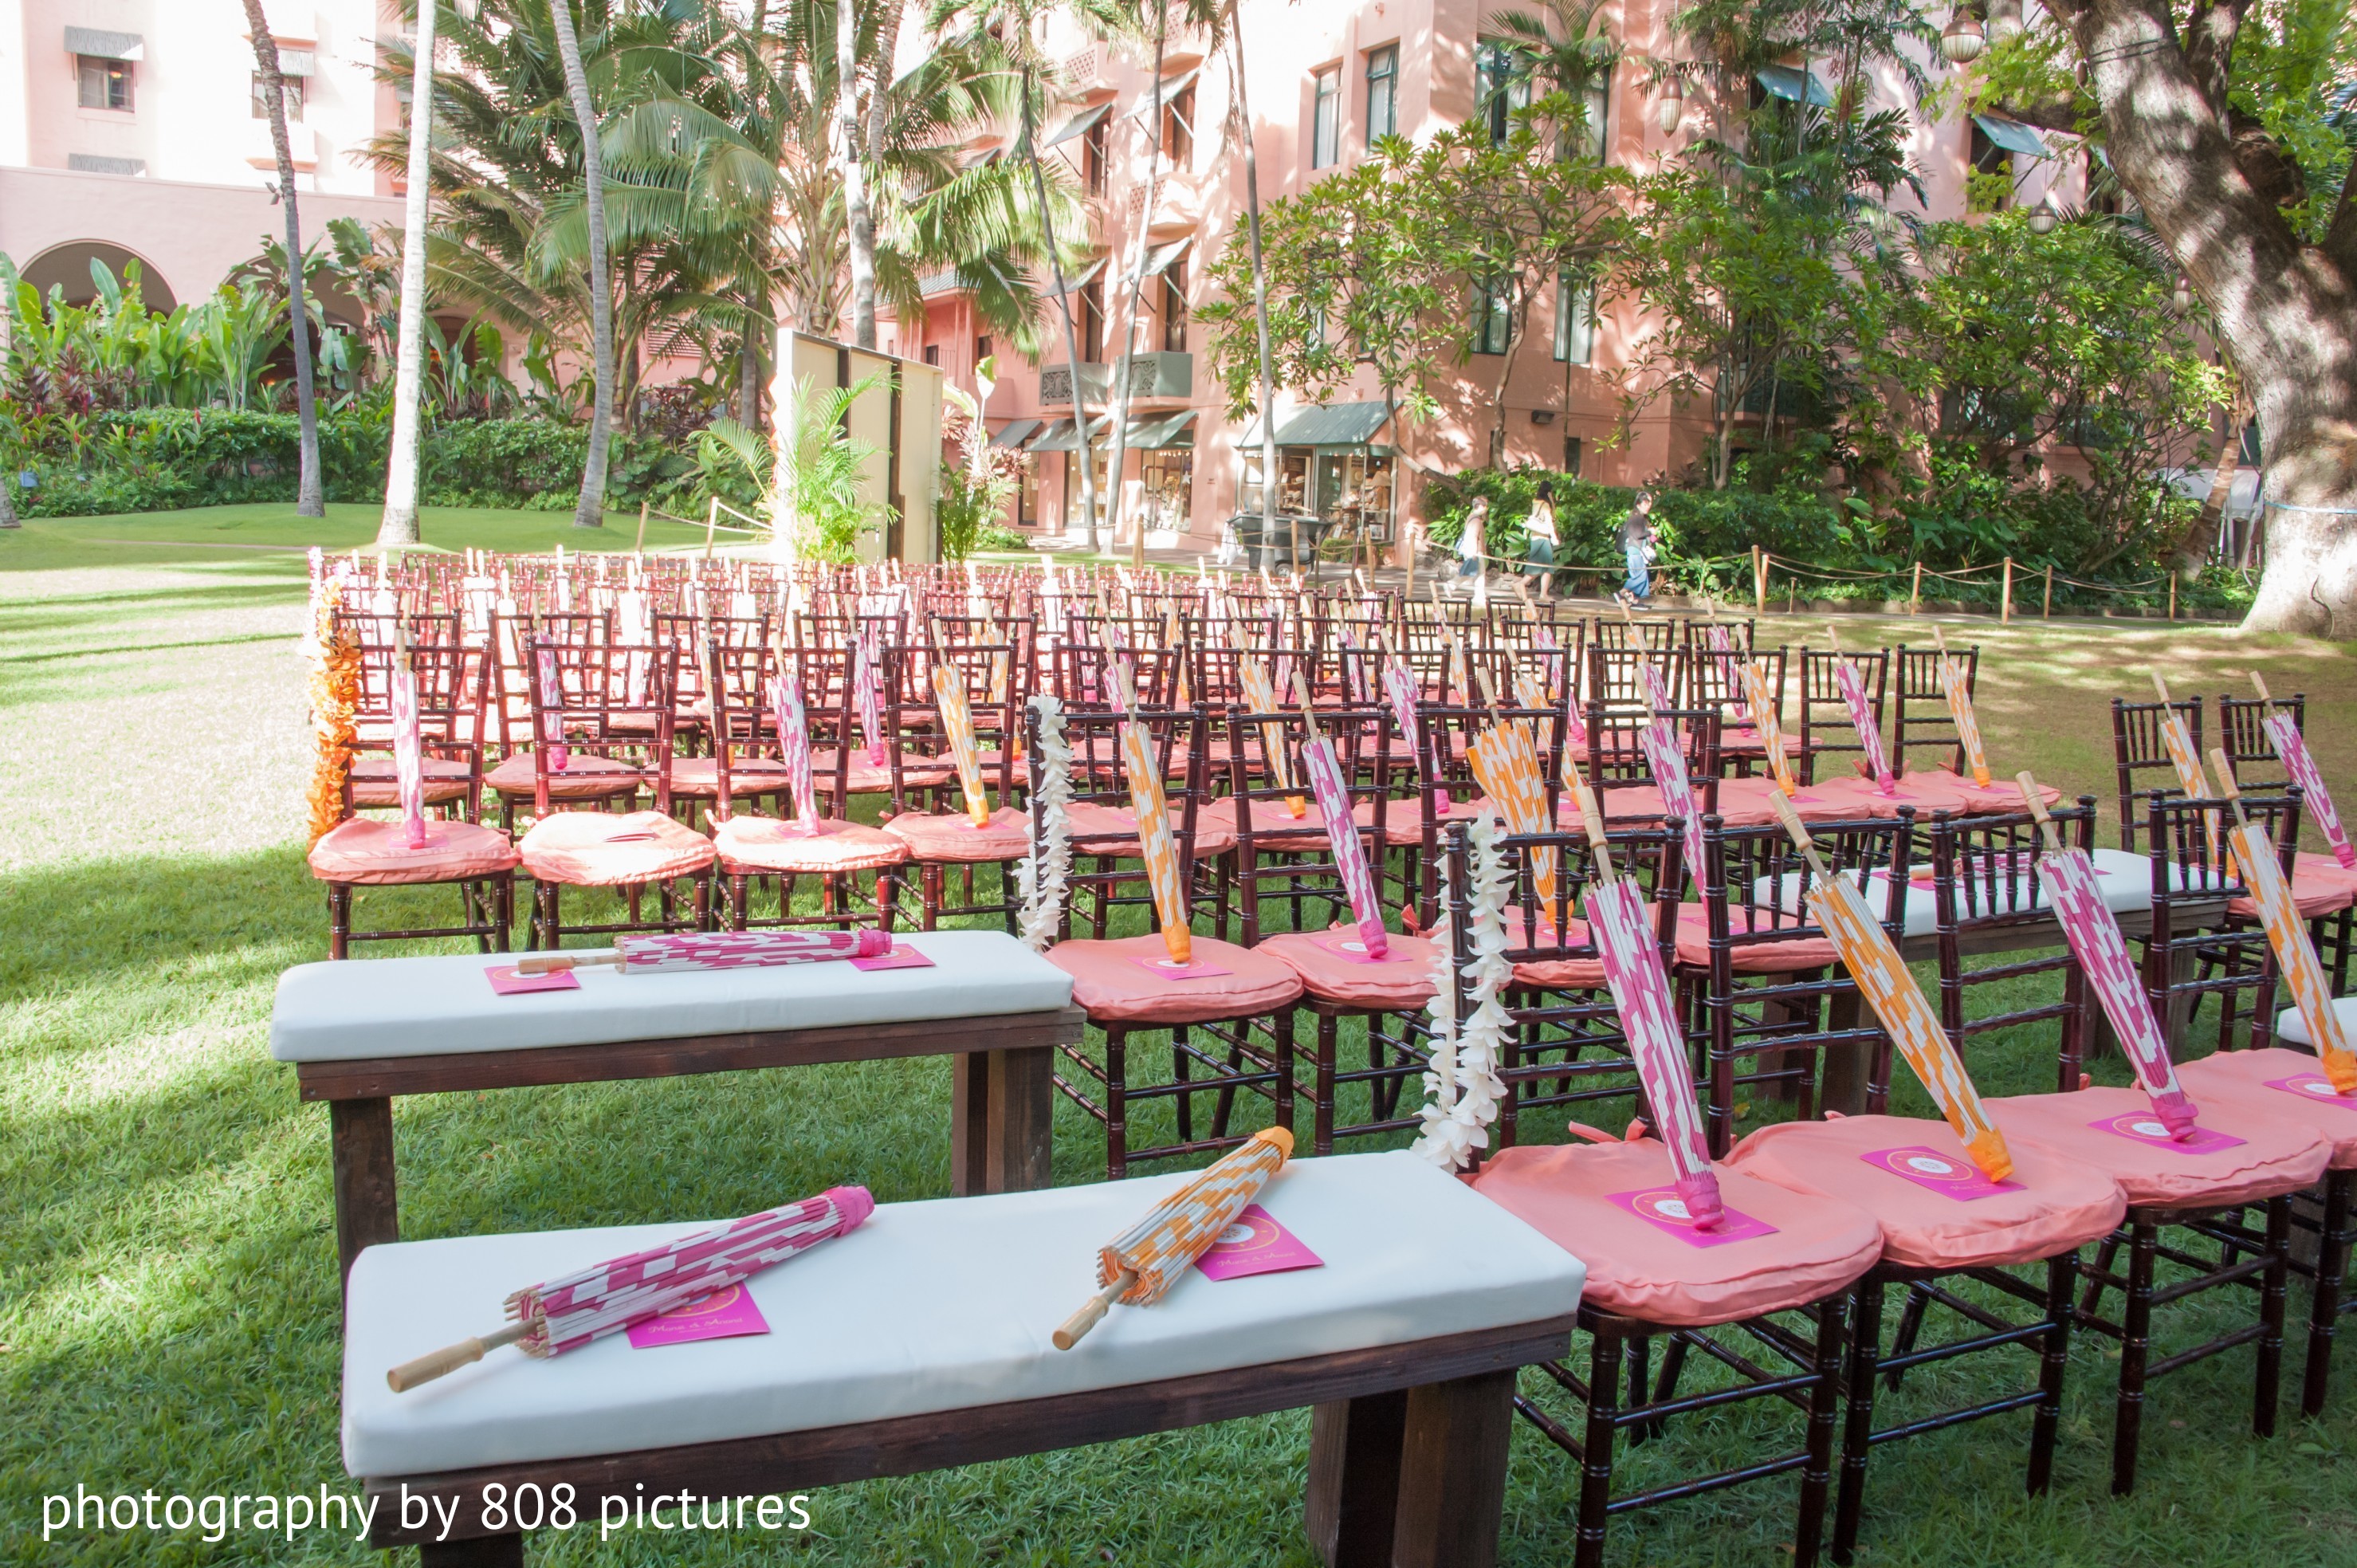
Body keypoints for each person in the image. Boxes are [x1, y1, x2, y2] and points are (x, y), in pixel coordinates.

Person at [1618, 490, 1656, 607]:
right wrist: (1650, 532)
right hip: (1635, 551)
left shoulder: (1638, 517)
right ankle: (1622, 592)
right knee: (1640, 577)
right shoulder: (1636, 518)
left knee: (1641, 577)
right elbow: (1637, 535)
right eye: (1645, 504)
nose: (1648, 506)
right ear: (1638, 505)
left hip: (1636, 551)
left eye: (1649, 504)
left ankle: (1636, 601)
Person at [1522, 480, 1559, 600]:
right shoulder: (1545, 505)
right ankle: (1522, 584)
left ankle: (1543, 594)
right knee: (1546, 567)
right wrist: (1554, 538)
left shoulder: (1536, 502)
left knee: (1545, 567)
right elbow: (1549, 522)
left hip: (1535, 537)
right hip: (1543, 538)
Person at [1456, 496, 1490, 590]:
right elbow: (1473, 536)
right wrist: (1474, 553)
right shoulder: (1476, 520)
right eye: (1485, 506)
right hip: (1475, 551)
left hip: (1472, 550)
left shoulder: (1471, 517)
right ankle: (1451, 585)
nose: (1486, 508)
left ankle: (1480, 595)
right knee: (1477, 573)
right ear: (1480, 506)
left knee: (1476, 574)